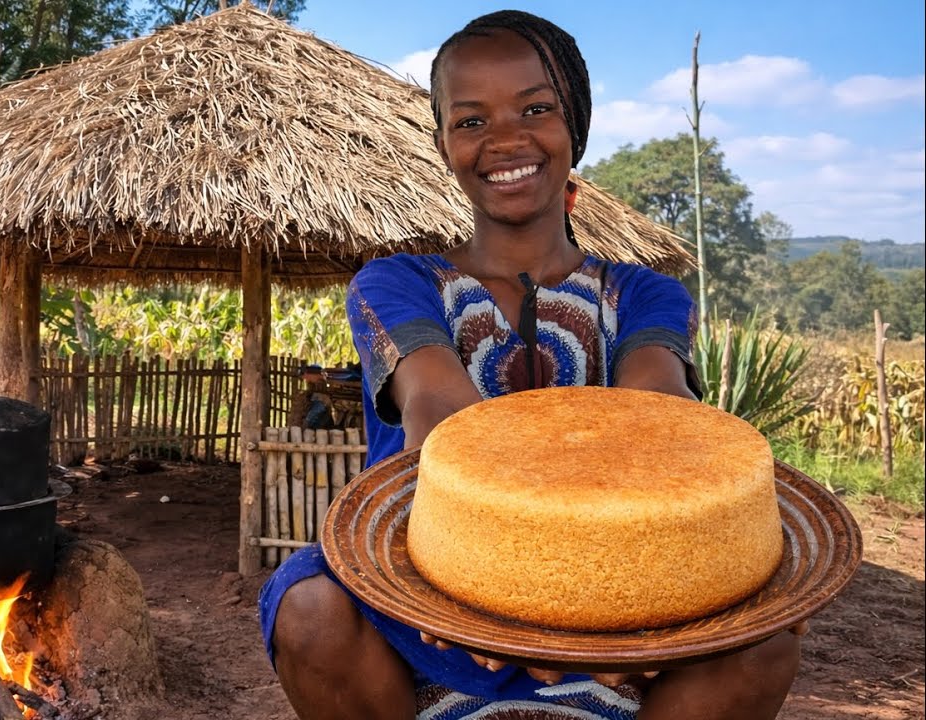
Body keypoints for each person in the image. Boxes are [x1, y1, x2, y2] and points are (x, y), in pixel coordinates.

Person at [258, 10, 805, 720]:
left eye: (536, 109)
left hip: (616, 600)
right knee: (309, 606)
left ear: (576, 124)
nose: (505, 140)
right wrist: (484, 588)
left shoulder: (645, 295)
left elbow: (660, 417)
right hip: (433, 592)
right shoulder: (395, 283)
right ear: (443, 143)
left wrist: (589, 598)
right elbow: (438, 410)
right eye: (471, 120)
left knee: (765, 643)